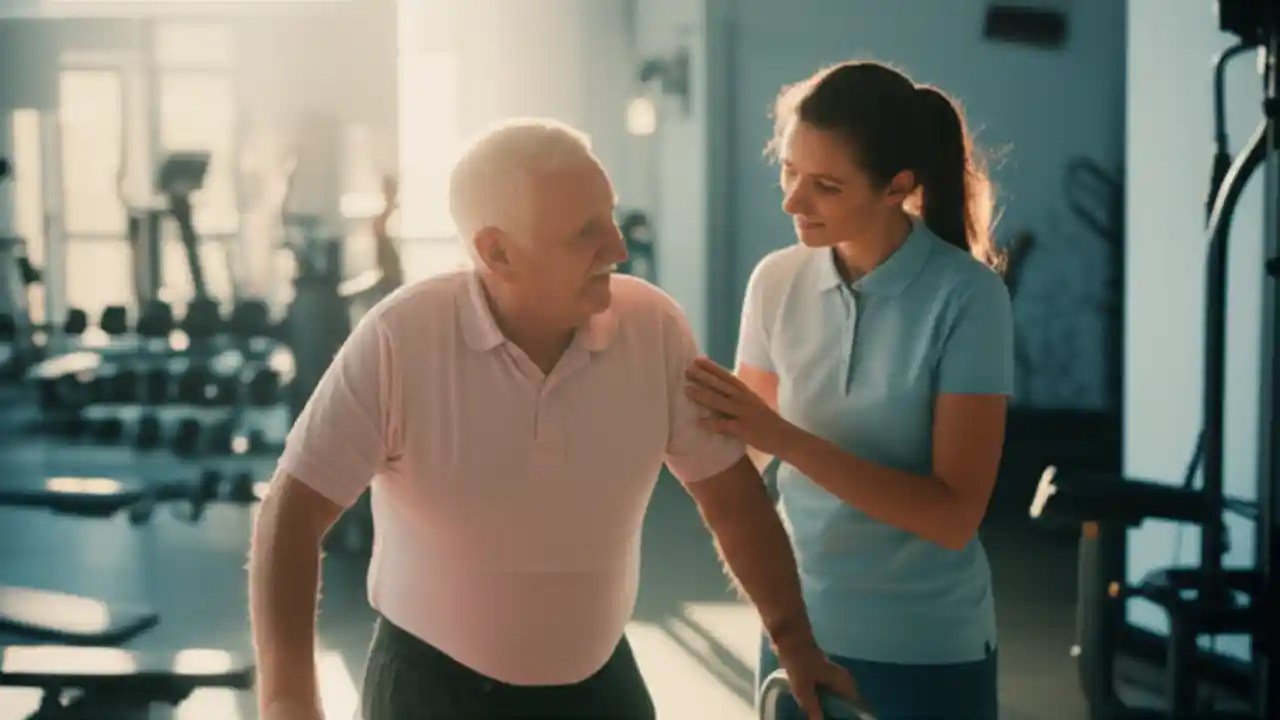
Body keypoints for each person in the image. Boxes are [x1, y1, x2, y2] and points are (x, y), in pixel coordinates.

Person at [248, 117, 856, 720]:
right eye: (585, 232)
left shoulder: (654, 329)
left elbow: (733, 499)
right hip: (429, 690)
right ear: (497, 252)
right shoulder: (400, 338)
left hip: (596, 683)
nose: (617, 249)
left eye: (610, 217)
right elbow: (292, 513)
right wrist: (288, 698)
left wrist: (794, 643)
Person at [685, 61, 1012, 720]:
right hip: (800, 633)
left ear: (898, 187)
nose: (792, 203)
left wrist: (783, 440)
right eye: (788, 171)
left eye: (825, 186)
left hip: (927, 646)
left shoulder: (968, 297)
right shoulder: (776, 282)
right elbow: (740, 458)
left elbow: (953, 516)